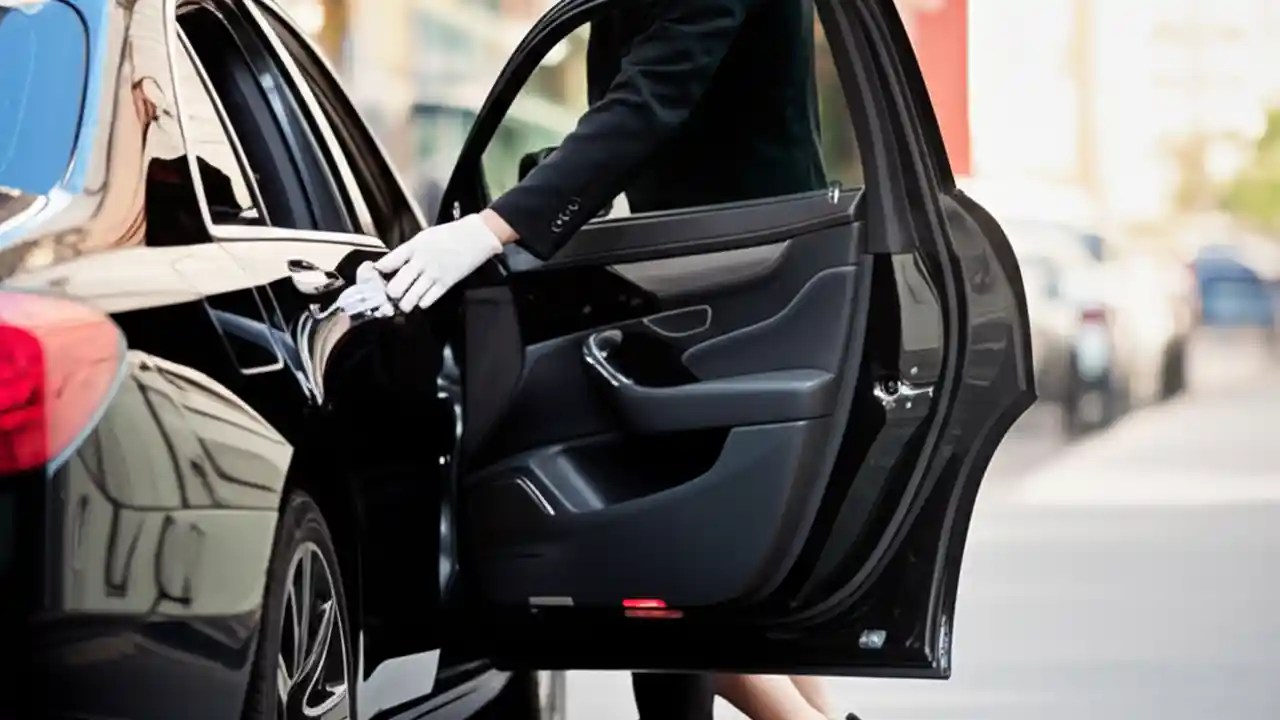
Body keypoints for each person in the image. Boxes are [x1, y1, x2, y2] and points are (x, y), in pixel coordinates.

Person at [376, 1, 835, 717]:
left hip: (739, 278)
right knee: (695, 567)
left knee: (662, 574)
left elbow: (652, 95)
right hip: (706, 272)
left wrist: (496, 226)